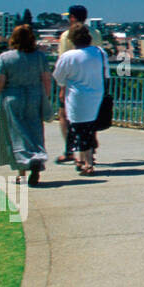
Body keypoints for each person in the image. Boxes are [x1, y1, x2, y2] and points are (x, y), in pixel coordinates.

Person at [0, 25, 53, 185]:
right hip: (34, 97)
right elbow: (46, 79)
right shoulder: (40, 57)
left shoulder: (5, 58)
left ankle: (22, 172)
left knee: (16, 135)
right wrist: (45, 97)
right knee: (35, 131)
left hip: (12, 97)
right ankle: (37, 157)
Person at [52, 22, 109, 176]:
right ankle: (85, 160)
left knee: (78, 129)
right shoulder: (100, 52)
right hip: (97, 94)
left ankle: (85, 162)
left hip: (77, 96)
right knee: (89, 129)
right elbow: (106, 75)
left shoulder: (68, 56)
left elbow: (58, 77)